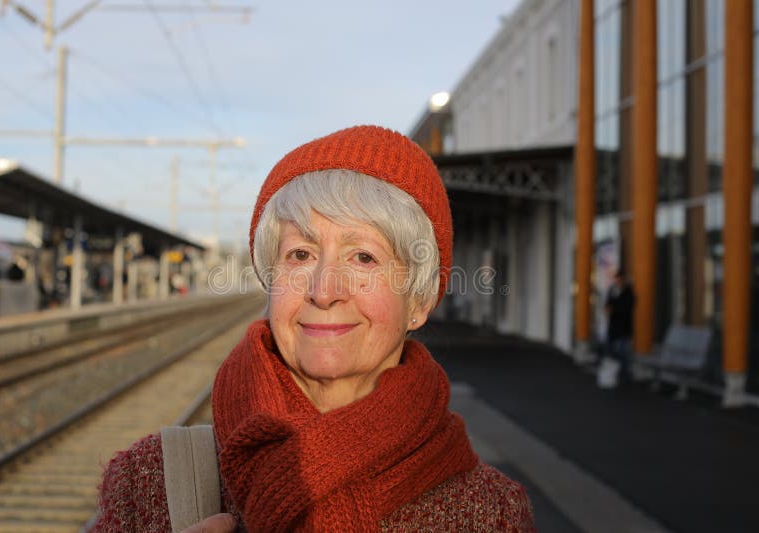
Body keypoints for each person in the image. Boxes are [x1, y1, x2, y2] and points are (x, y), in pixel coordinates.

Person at [93, 125, 535, 532]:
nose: (324, 291)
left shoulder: (489, 514)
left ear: (418, 300)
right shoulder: (148, 484)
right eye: (300, 255)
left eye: (363, 257)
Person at [604, 268, 635, 383]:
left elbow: (628, 307)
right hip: (613, 326)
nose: (618, 281)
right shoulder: (612, 290)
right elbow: (608, 305)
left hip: (624, 326)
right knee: (610, 349)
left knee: (623, 352)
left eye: (619, 279)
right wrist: (609, 308)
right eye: (616, 279)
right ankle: (615, 372)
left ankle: (624, 373)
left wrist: (614, 309)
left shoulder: (628, 291)